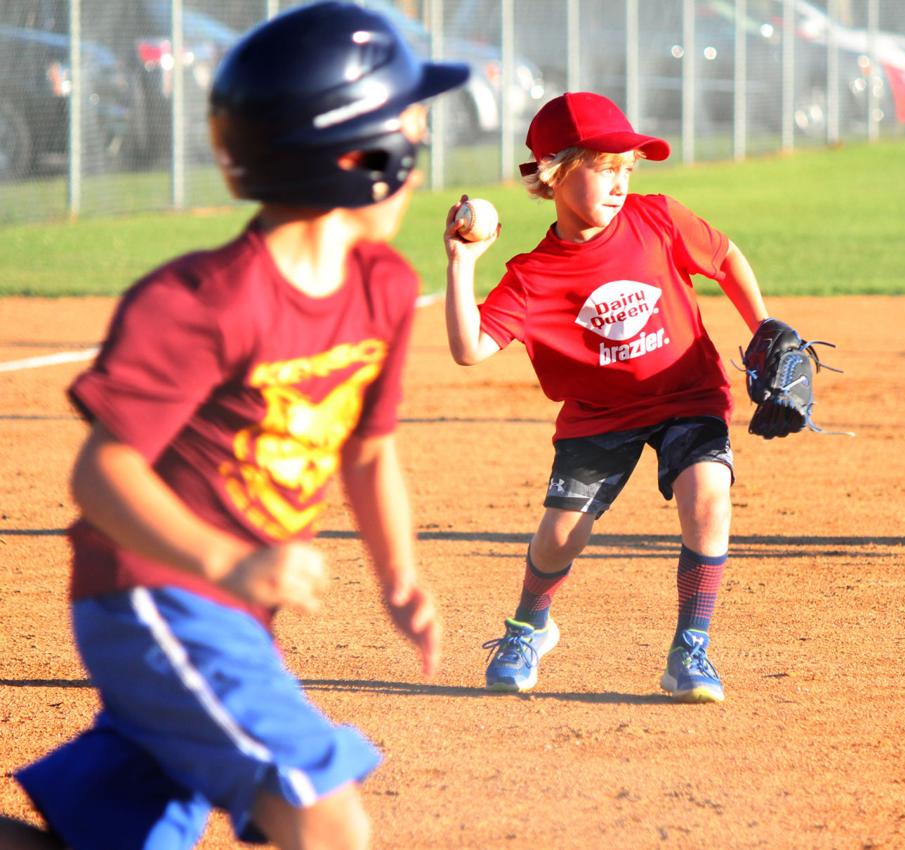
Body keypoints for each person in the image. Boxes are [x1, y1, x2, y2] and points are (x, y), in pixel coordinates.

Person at [0, 4, 468, 849]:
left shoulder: (387, 288)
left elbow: (369, 449)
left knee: (117, 838)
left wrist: (400, 580)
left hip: (227, 611)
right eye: (411, 134)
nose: (419, 157)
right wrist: (228, 560)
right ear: (360, 159)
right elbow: (100, 474)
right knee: (329, 822)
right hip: (154, 595)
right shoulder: (204, 301)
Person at [443, 91, 779, 704]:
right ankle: (529, 627)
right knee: (561, 535)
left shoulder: (658, 218)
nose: (621, 181)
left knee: (708, 494)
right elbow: (470, 349)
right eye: (604, 166)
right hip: (600, 414)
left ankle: (690, 649)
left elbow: (726, 258)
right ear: (555, 173)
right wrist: (462, 263)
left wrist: (762, 328)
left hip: (687, 390)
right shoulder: (533, 274)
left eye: (627, 167)